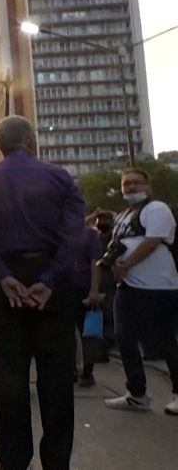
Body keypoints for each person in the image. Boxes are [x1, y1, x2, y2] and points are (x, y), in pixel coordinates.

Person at [0, 116, 85, 470]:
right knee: (57, 379)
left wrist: (2, 276)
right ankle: (57, 461)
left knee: (11, 378)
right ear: (31, 140)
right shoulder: (60, 178)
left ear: (0, 145)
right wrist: (49, 280)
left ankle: (13, 462)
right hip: (53, 282)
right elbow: (73, 236)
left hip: (6, 285)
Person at [103, 169, 178, 415]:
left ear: (148, 185)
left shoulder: (157, 209)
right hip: (127, 286)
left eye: (136, 182)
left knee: (165, 340)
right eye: (126, 184)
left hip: (157, 286)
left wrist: (127, 263)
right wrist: (116, 266)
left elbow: (152, 241)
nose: (131, 187)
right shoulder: (124, 215)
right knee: (124, 337)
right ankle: (137, 393)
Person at [72, 224, 104, 388]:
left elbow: (95, 262)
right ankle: (71, 369)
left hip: (83, 288)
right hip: (64, 288)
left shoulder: (90, 234)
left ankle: (87, 371)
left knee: (87, 332)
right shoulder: (59, 230)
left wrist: (94, 290)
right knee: (65, 332)